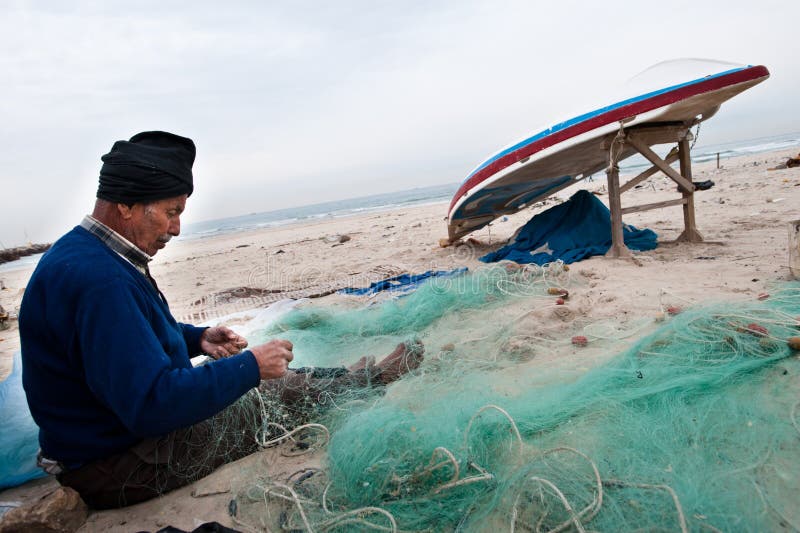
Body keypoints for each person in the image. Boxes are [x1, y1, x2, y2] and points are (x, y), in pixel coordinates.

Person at [19, 131, 423, 509]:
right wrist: (250, 366)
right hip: (119, 465)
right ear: (125, 204)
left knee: (234, 374)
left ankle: (350, 378)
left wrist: (197, 338)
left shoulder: (84, 254)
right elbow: (151, 407)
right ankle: (365, 381)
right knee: (263, 393)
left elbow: (122, 340)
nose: (176, 228)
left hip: (100, 446)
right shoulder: (102, 280)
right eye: (171, 212)